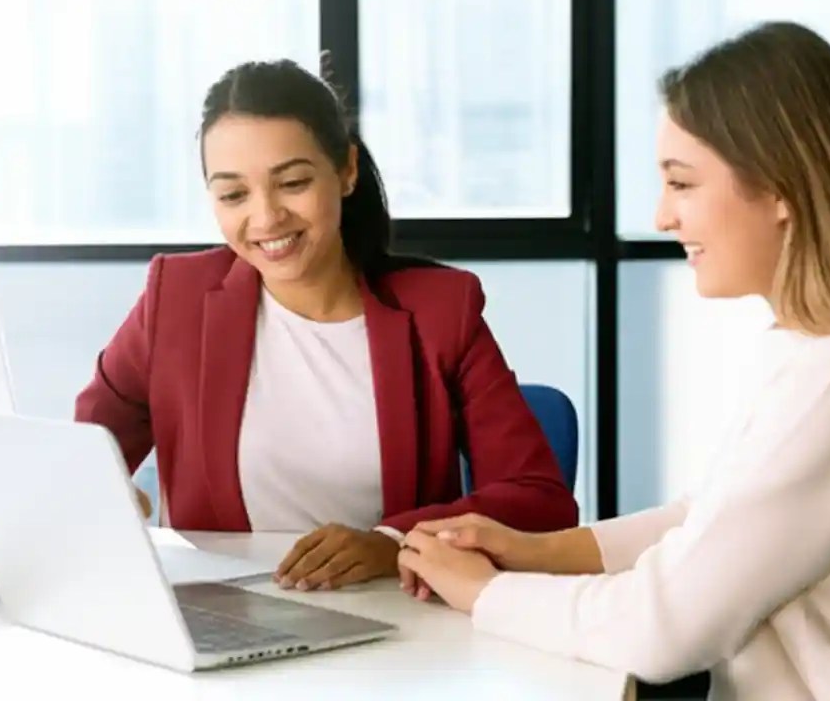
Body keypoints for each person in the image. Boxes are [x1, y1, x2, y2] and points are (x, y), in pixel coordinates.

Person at [396, 21, 830, 700]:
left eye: (682, 184)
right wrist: (537, 552)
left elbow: (662, 631)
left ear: (780, 189)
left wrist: (487, 594)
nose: (662, 216)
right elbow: (712, 516)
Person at [74, 59, 577, 592]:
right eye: (233, 195)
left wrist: (391, 542)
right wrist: (101, 493)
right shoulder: (174, 297)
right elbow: (85, 447)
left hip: (397, 624)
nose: (266, 218)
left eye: (292, 182)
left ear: (346, 171)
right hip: (223, 621)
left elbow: (538, 498)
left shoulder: (440, 311)